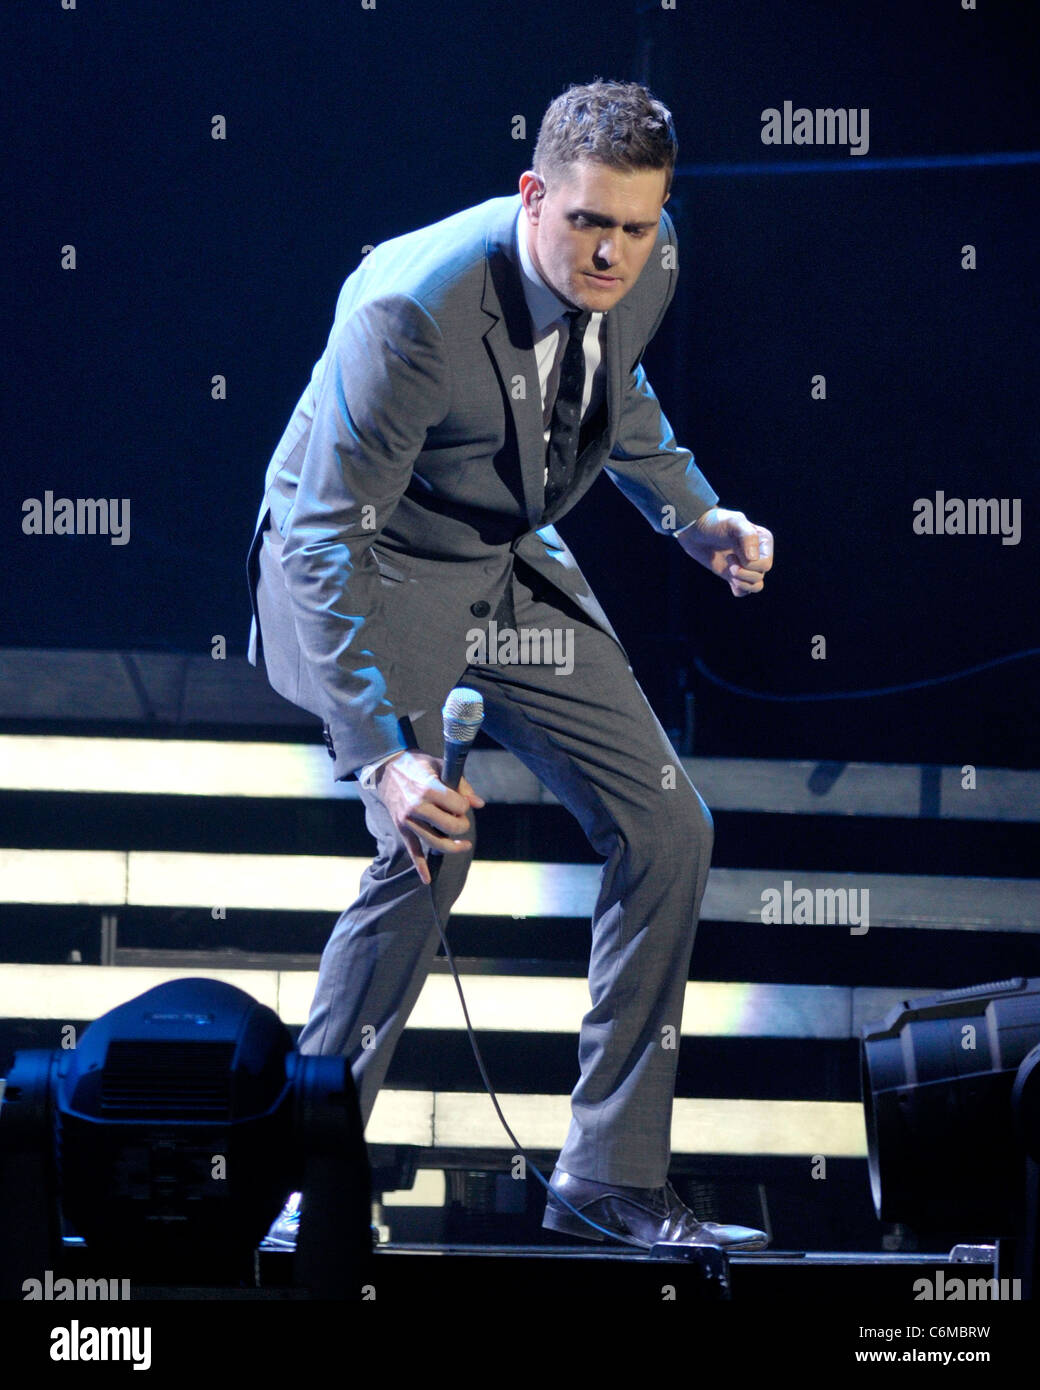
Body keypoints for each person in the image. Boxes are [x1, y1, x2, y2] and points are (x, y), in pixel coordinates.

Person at [247, 79, 774, 1250]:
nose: (613, 252)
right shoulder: (411, 309)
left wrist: (693, 516)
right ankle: (306, 1179)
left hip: (504, 558)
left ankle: (605, 1178)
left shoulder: (644, 260)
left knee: (668, 827)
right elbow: (322, 536)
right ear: (533, 194)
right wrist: (381, 755)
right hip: (374, 564)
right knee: (427, 847)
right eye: (588, 223)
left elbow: (612, 390)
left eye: (635, 226)